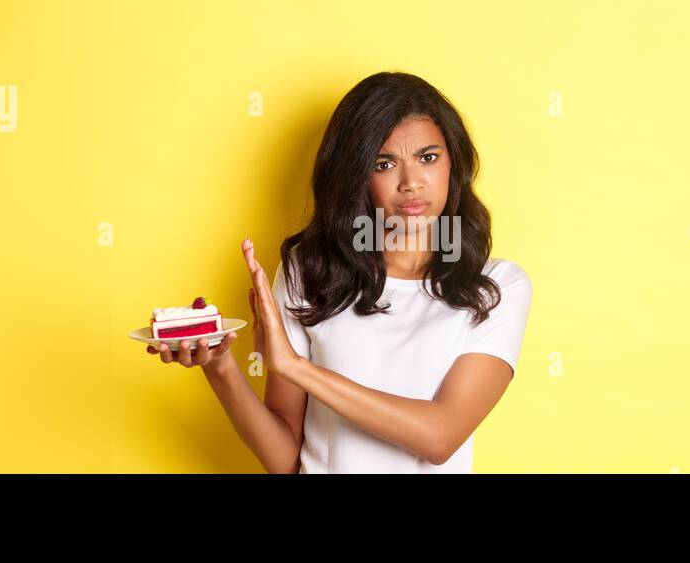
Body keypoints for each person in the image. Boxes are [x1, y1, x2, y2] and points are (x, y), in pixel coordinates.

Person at [147, 71, 532, 473]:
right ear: (356, 176)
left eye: (428, 158)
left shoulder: (497, 287)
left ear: (454, 163)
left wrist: (296, 368)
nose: (411, 183)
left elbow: (439, 438)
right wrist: (220, 366)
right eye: (384, 164)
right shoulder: (308, 271)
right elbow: (284, 459)